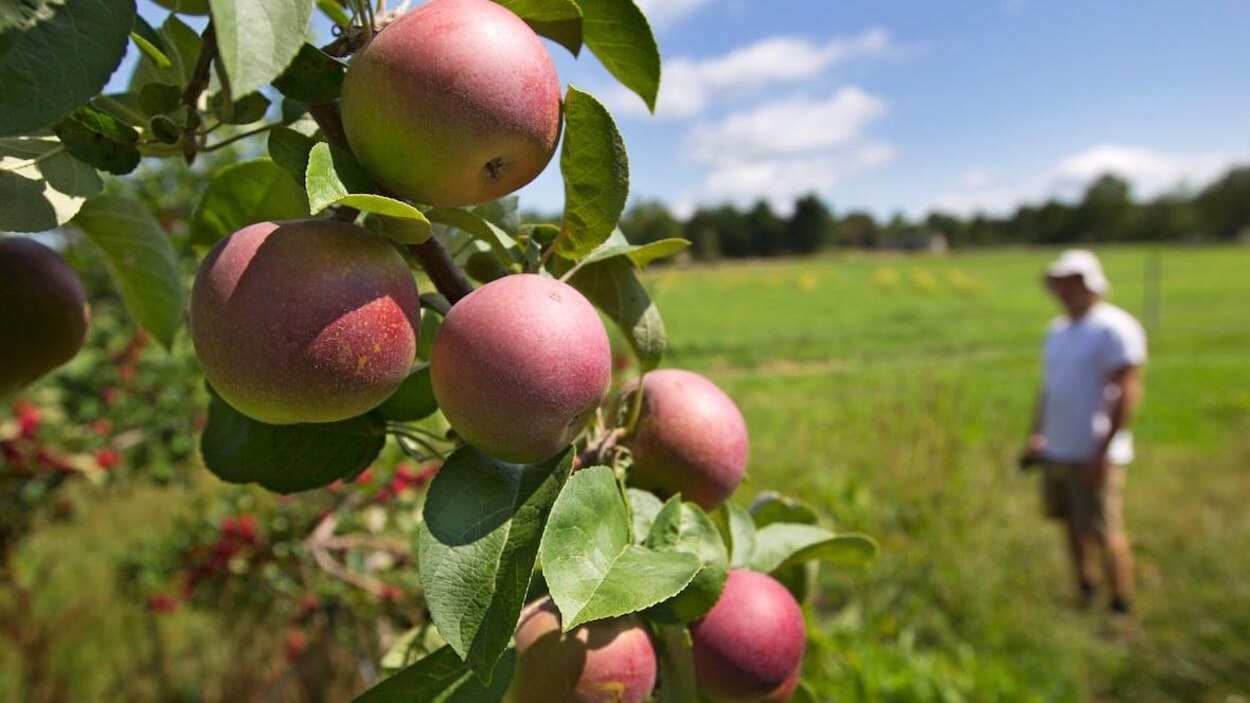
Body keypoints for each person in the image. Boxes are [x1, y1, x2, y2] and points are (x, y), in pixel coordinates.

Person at [1022, 249, 1146, 618]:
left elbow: (1127, 391)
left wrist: (1103, 451)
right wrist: (1037, 434)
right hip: (1059, 448)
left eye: (1074, 284)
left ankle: (1120, 604)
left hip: (1093, 451)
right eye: (1062, 283)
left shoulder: (1114, 328)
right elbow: (1050, 388)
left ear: (1092, 286)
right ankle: (1086, 588)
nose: (1066, 291)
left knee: (1105, 529)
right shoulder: (1058, 331)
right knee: (1071, 524)